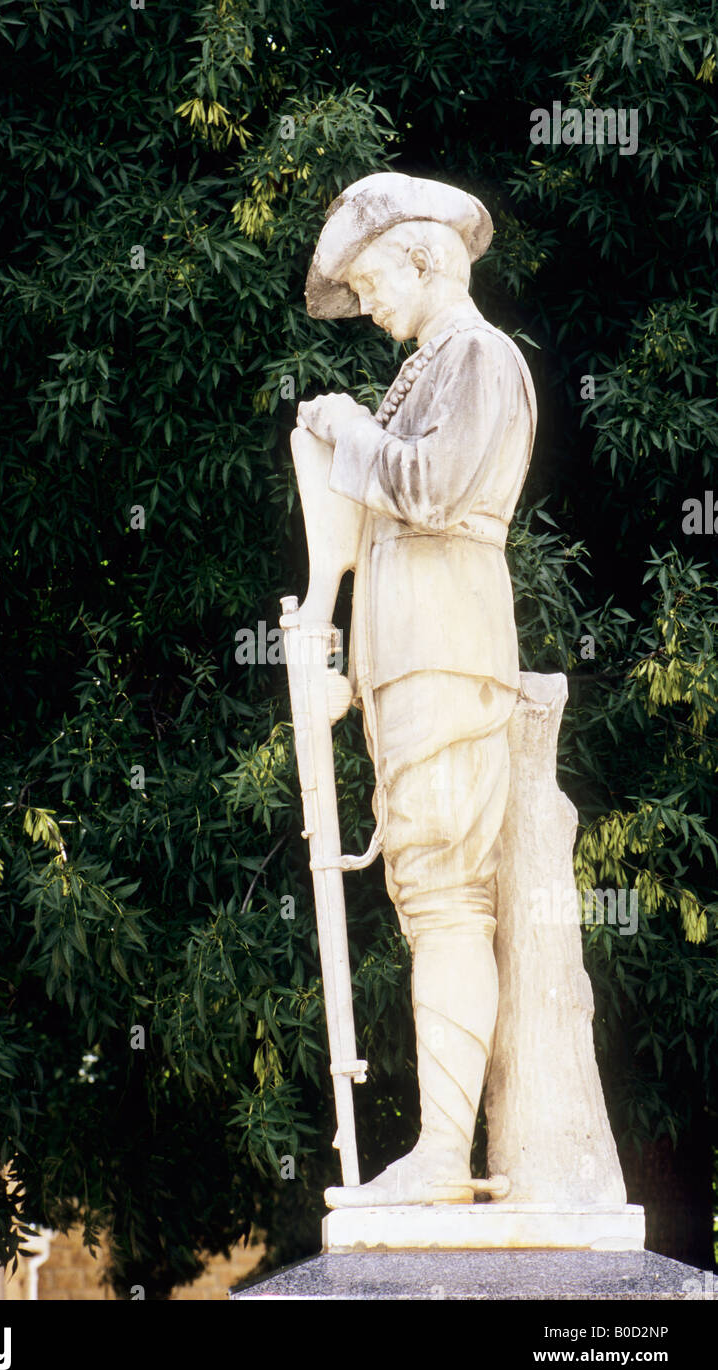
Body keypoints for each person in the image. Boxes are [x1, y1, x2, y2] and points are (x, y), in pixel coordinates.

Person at [296, 173, 536, 1206]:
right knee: (425, 898)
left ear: (427, 258)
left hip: (448, 651)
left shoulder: (481, 358)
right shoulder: (429, 368)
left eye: (373, 279)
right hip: (411, 658)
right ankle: (439, 1145)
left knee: (445, 898)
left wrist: (349, 432)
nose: (369, 302)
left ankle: (444, 1153)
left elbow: (429, 491)